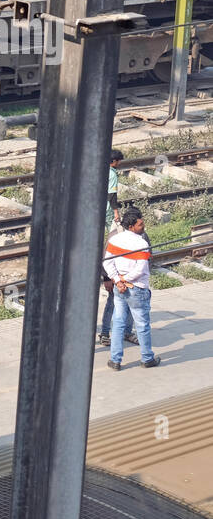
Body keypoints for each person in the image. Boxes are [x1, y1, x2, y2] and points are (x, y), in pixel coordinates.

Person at [103, 207, 160, 371]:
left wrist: (117, 280)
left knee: (118, 323)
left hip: (119, 289)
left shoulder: (115, 240)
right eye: (140, 224)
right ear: (131, 226)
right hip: (137, 289)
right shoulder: (141, 243)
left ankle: (115, 360)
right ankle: (147, 358)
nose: (143, 227)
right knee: (142, 325)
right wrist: (123, 280)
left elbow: (107, 263)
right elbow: (141, 269)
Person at [99, 149, 134, 346]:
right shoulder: (111, 174)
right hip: (104, 211)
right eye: (119, 161)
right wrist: (116, 212)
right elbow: (112, 196)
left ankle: (108, 332)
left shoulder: (99, 170)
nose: (119, 163)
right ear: (114, 161)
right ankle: (110, 332)